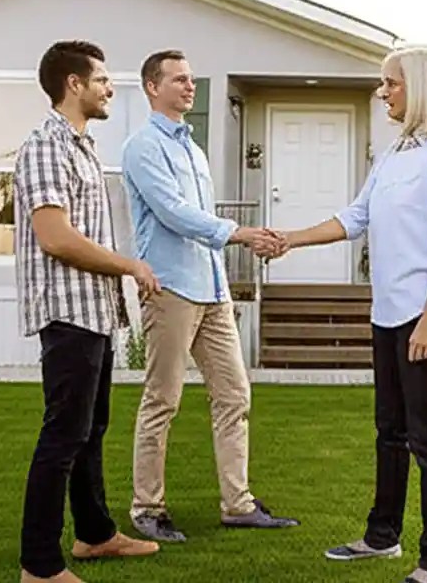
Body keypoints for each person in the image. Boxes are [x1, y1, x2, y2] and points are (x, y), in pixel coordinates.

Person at [270, 47, 427, 583]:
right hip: (387, 312)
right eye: (383, 83)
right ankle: (381, 537)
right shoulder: (393, 154)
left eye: (393, 83)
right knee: (389, 430)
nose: (383, 92)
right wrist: (291, 239)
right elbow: (355, 216)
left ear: (422, 88)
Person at [121, 48, 301, 542]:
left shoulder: (194, 151)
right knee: (163, 399)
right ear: (152, 87)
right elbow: (174, 214)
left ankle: (238, 504)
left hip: (212, 289)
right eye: (178, 79)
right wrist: (242, 233)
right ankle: (147, 508)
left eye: (192, 79)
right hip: (171, 288)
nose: (190, 86)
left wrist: (227, 255)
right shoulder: (142, 148)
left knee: (234, 395)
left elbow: (197, 217)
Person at [13, 40, 162, 583]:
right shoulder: (47, 146)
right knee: (63, 434)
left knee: (90, 428)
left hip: (95, 312)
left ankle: (95, 534)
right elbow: (54, 237)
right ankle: (39, 565)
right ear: (73, 84)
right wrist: (130, 266)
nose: (109, 87)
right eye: (101, 79)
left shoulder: (82, 147)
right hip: (67, 312)